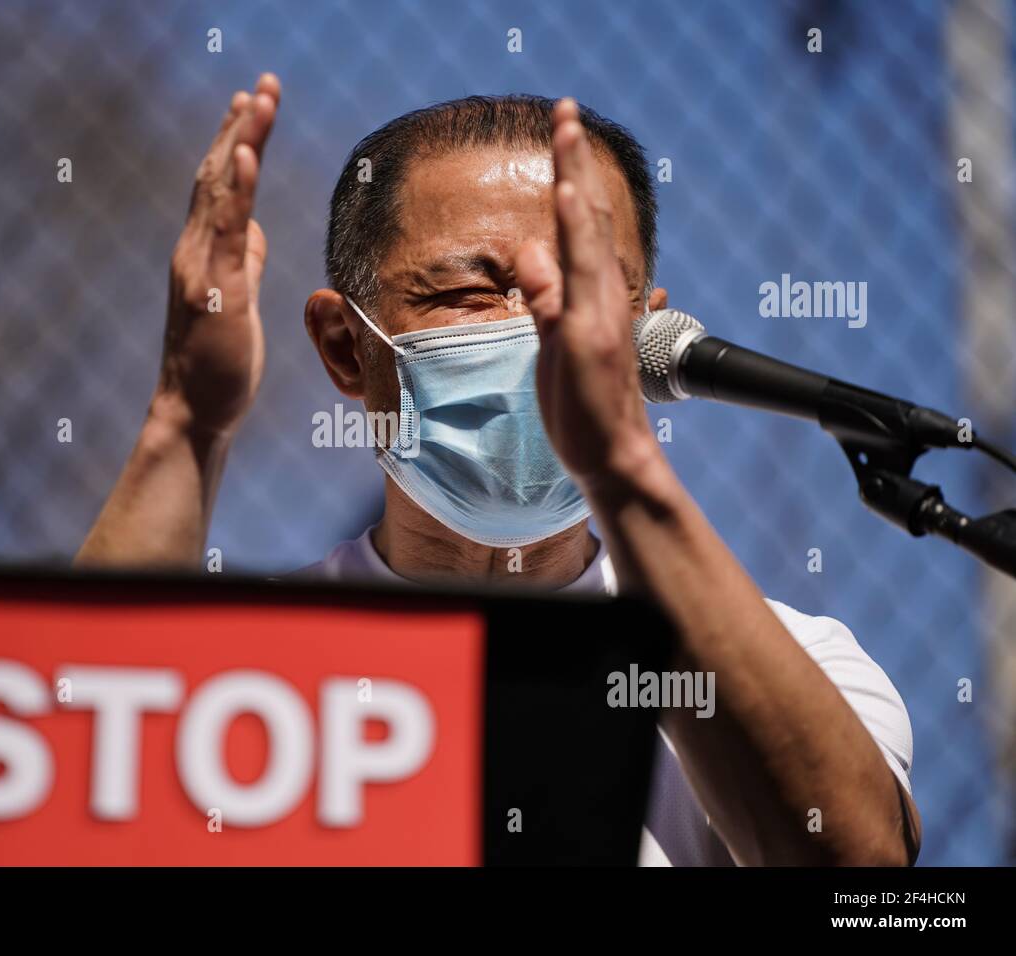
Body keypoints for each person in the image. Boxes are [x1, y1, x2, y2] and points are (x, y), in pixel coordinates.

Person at [77, 74, 921, 866]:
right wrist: (185, 421)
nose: (541, 326)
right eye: (466, 294)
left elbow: (857, 870)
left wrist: (623, 467)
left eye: (583, 290)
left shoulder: (799, 668)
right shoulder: (242, 678)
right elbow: (64, 797)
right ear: (346, 346)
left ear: (645, 338)